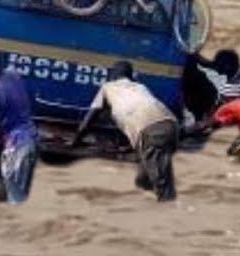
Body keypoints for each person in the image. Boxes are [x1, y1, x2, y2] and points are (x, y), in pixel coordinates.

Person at [71, 61, 179, 201]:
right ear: (131, 76)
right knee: (144, 180)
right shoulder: (140, 87)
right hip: (171, 125)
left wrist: (76, 140)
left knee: (163, 190)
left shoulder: (107, 88)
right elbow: (139, 110)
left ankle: (168, 207)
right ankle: (149, 202)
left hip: (150, 131)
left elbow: (89, 120)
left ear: (113, 76)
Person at [0, 48, 38, 203]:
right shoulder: (13, 74)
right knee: (22, 194)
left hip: (16, 147)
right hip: (32, 137)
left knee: (16, 198)